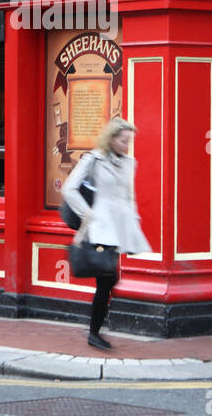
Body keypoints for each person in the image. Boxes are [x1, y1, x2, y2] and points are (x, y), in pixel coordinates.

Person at [61, 117, 150, 350]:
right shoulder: (94, 160)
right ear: (110, 139)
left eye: (129, 141)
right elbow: (69, 188)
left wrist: (133, 226)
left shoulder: (130, 162)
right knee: (108, 278)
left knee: (108, 279)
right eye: (123, 141)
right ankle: (94, 333)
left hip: (118, 228)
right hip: (99, 228)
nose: (126, 146)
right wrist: (87, 213)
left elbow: (129, 197)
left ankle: (95, 330)